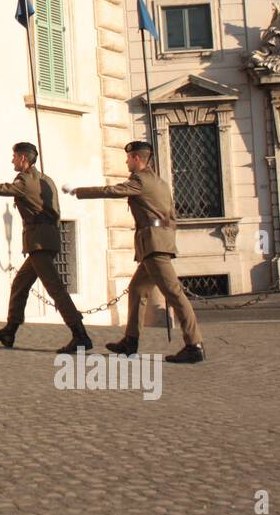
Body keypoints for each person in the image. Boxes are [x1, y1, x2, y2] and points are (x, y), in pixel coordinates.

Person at [62, 140, 204, 363]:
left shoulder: (140, 180)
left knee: (175, 294)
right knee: (137, 290)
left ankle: (194, 345)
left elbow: (112, 191)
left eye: (128, 157)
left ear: (137, 158)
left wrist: (78, 191)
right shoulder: (160, 182)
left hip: (154, 245)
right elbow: (172, 216)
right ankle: (130, 340)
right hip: (157, 243)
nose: (126, 161)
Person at [0, 142, 91, 353]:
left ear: (23, 159)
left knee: (56, 290)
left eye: (14, 156)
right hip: (47, 239)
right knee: (20, 284)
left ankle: (80, 334)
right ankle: (10, 330)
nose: (12, 160)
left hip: (38, 242)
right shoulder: (47, 180)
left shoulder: (24, 181)